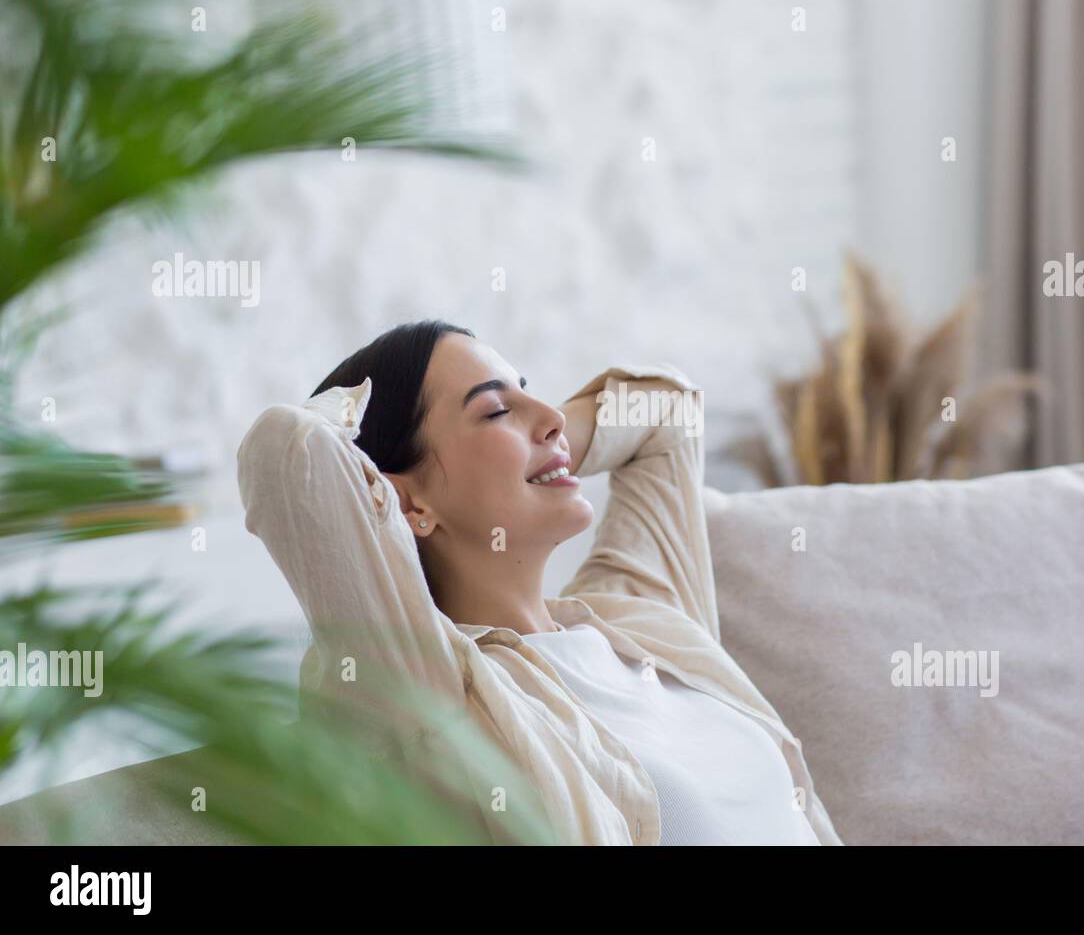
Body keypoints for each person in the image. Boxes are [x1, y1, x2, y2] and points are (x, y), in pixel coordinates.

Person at [236, 319, 843, 845]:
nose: (552, 416)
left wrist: (541, 444)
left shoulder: (639, 617)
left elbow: (667, 413)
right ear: (407, 502)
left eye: (529, 394)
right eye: (495, 410)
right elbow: (290, 454)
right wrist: (522, 453)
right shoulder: (428, 688)